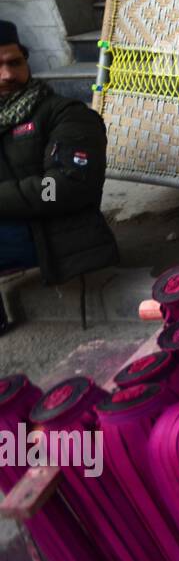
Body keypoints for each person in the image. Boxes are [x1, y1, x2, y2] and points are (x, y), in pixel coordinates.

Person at [0, 19, 118, 331]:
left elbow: (62, 187)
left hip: (55, 233)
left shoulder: (67, 114)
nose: (8, 75)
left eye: (14, 62)